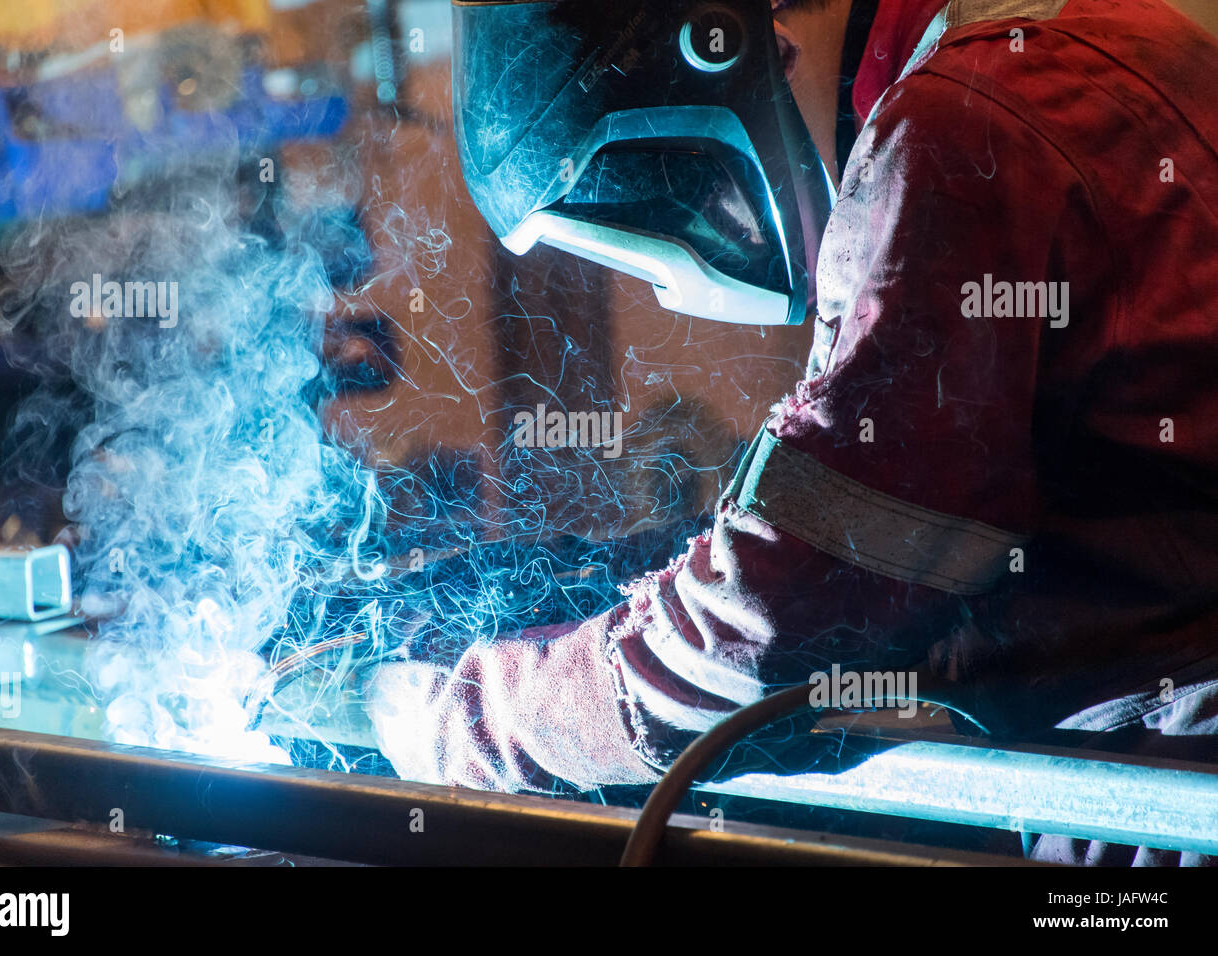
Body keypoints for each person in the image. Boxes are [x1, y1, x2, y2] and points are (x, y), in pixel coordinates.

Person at [364, 0, 1218, 864]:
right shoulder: (1102, 36)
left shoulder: (958, 126)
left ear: (723, 44)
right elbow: (918, 513)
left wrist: (469, 723)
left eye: (676, 187)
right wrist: (576, 590)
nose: (678, 270)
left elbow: (792, 604)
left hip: (1172, 803)